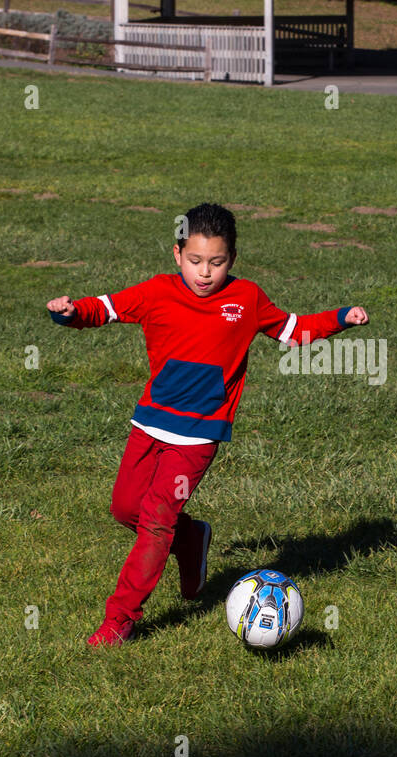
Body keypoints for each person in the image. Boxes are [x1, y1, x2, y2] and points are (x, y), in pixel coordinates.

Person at [46, 202, 369, 645]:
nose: (204, 273)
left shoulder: (247, 299)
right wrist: (69, 312)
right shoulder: (157, 291)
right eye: (195, 261)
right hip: (149, 425)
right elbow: (105, 308)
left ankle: (119, 620)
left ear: (231, 259)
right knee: (126, 510)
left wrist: (339, 319)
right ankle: (193, 537)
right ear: (177, 255)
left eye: (216, 263)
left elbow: (294, 330)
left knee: (156, 522)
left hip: (197, 437)